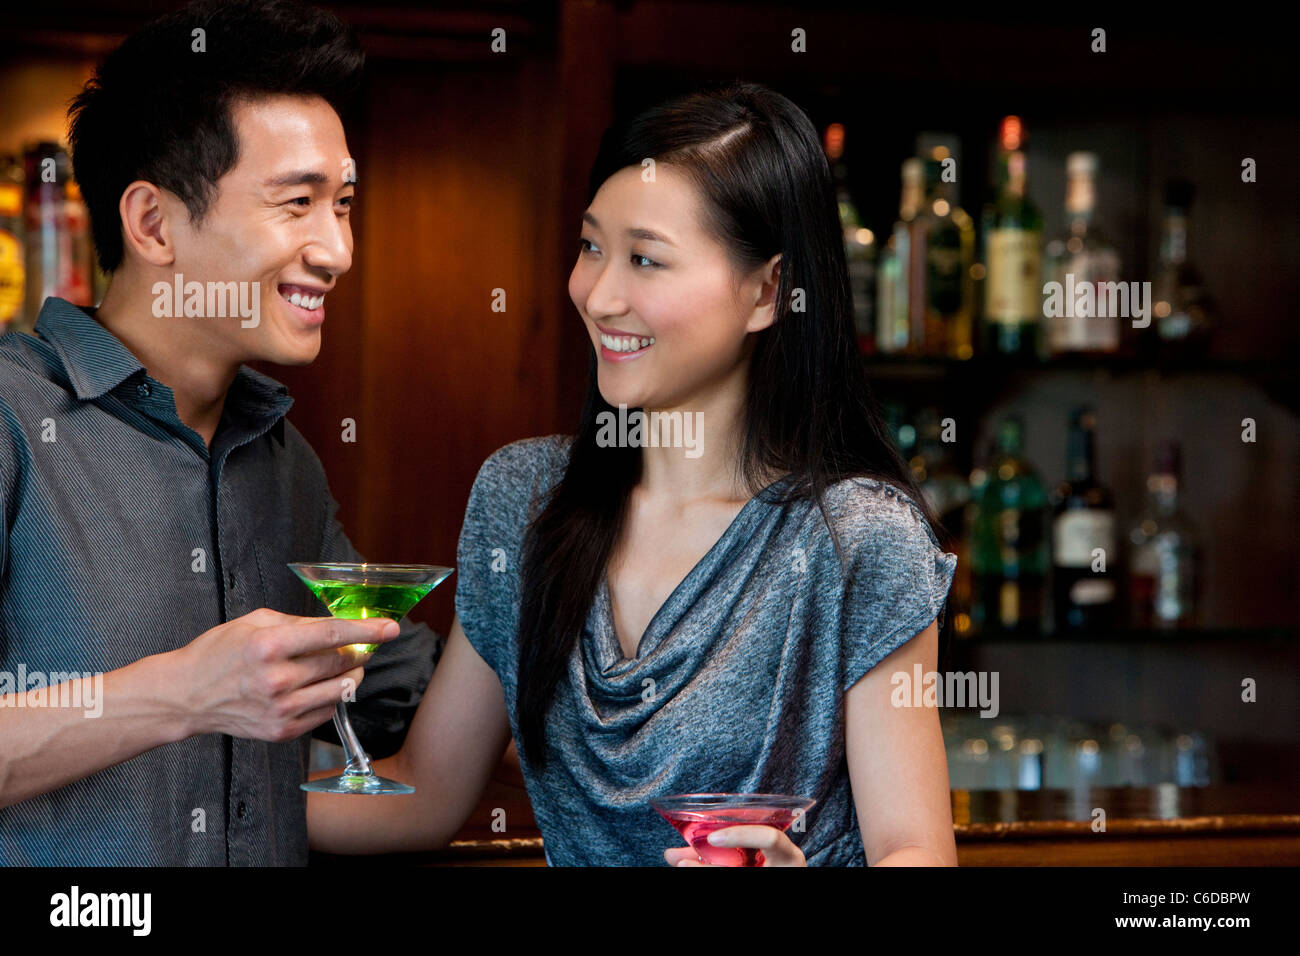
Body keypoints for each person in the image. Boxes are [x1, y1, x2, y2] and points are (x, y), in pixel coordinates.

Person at [309, 81, 958, 866]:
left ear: (765, 293)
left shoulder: (858, 536)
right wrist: (187, 788)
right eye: (591, 247)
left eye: (646, 259)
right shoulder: (524, 500)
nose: (600, 295)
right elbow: (424, 791)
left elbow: (916, 849)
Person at [0, 0, 439, 865]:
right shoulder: (14, 421)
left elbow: (396, 689)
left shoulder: (283, 459)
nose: (338, 248)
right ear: (154, 223)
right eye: (297, 203)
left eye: (343, 203)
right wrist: (182, 694)